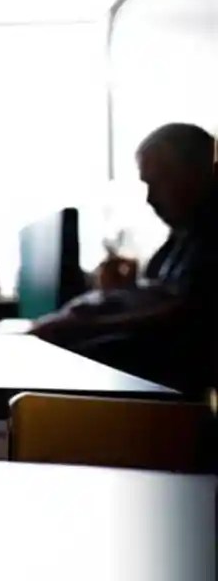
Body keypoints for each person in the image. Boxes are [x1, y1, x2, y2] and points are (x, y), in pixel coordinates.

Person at [31, 123, 216, 397]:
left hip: (178, 374)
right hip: (165, 362)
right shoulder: (183, 235)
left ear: (198, 170)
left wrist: (82, 325)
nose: (150, 198)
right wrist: (119, 293)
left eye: (159, 181)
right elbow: (162, 297)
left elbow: (187, 314)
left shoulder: (209, 232)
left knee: (60, 362)